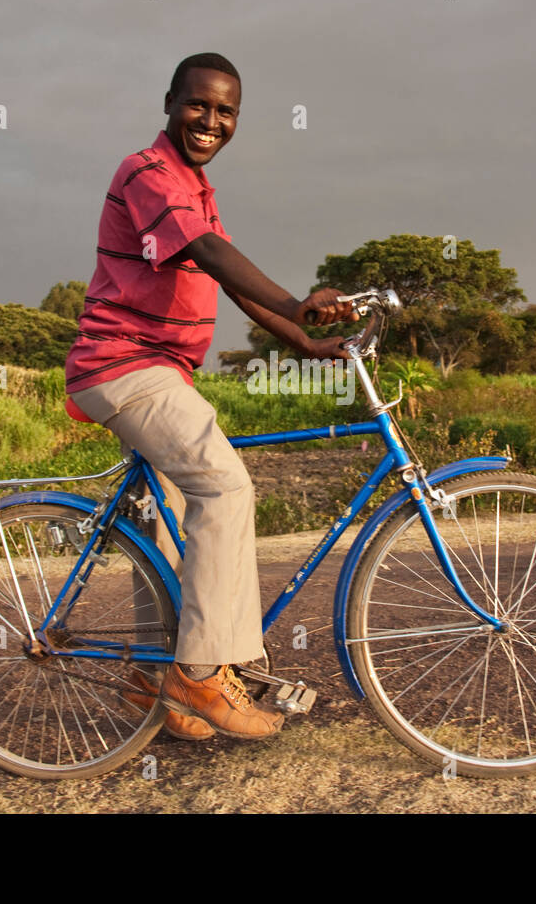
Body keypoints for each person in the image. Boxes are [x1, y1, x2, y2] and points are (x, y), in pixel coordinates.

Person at [63, 53, 353, 740]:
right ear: (170, 102)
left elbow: (227, 277)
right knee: (225, 488)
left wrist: (303, 339)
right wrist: (296, 302)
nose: (211, 122)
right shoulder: (147, 172)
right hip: (126, 365)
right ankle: (202, 673)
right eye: (200, 105)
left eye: (227, 113)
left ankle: (149, 676)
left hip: (157, 370)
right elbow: (209, 253)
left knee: (161, 525)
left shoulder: (194, 185)